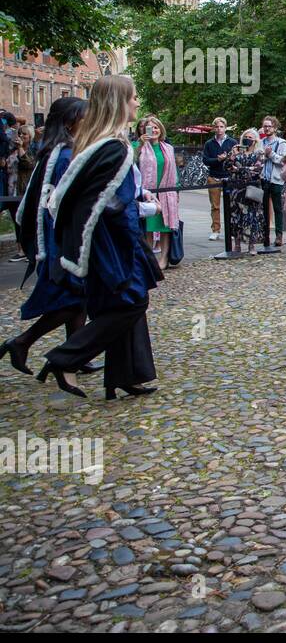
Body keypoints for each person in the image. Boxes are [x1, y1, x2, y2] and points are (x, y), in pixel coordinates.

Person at [42, 75, 160, 400]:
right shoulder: (113, 147)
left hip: (108, 240)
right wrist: (142, 211)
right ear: (119, 102)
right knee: (132, 301)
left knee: (124, 303)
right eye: (133, 97)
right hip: (111, 243)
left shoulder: (101, 143)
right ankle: (64, 357)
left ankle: (125, 376)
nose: (137, 102)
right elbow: (108, 204)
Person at [2, 98, 94, 378]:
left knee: (77, 296)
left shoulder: (58, 151)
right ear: (70, 122)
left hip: (58, 233)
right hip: (59, 236)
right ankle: (22, 342)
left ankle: (74, 355)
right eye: (85, 117)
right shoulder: (64, 155)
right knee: (74, 296)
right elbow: (63, 200)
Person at [135, 115, 181, 272]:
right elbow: (132, 164)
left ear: (161, 130)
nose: (153, 130)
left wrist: (177, 190)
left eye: (156, 127)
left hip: (167, 193)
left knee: (164, 227)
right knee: (148, 226)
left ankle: (164, 258)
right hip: (148, 193)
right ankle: (147, 258)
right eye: (150, 127)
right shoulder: (139, 146)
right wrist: (141, 143)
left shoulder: (168, 148)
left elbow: (174, 171)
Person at [226, 129, 267, 254]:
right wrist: (232, 156)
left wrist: (238, 168)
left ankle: (251, 245)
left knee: (252, 217)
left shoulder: (259, 153)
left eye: (250, 137)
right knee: (236, 217)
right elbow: (227, 167)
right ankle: (237, 244)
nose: (247, 139)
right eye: (245, 136)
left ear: (255, 140)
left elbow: (257, 169)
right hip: (237, 189)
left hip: (252, 189)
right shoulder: (237, 152)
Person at [202, 117, 236, 242]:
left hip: (228, 177)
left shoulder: (232, 142)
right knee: (215, 206)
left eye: (221, 126)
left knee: (231, 205)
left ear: (225, 127)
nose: (219, 129)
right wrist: (218, 159)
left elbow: (236, 158)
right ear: (213, 128)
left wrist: (229, 159)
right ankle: (215, 230)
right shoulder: (209, 143)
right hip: (214, 176)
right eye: (217, 127)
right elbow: (205, 160)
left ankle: (231, 229)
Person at [259, 116, 286, 248]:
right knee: (264, 208)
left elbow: (283, 160)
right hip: (264, 178)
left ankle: (279, 235)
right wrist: (264, 156)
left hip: (276, 180)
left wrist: (270, 154)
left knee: (278, 208)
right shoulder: (261, 142)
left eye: (269, 126)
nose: (266, 128)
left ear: (275, 128)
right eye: (265, 126)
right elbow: (258, 158)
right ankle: (265, 235)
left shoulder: (281, 143)